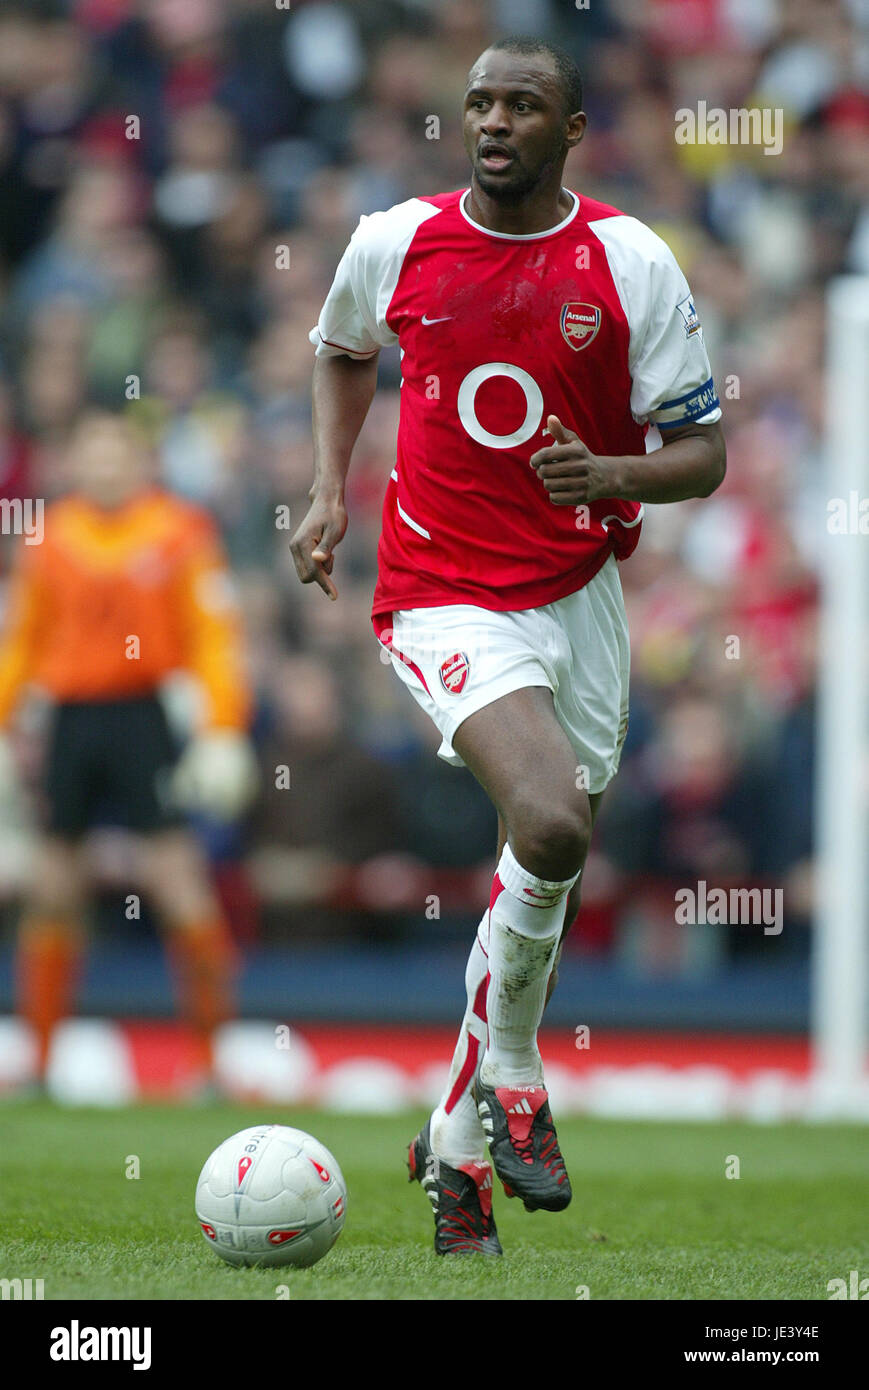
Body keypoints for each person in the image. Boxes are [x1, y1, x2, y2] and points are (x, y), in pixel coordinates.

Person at [291, 36, 725, 1255]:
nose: (492, 121)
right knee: (545, 823)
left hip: (579, 596)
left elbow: (704, 455)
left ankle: (457, 1145)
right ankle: (520, 1072)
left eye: (521, 105)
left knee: (538, 872)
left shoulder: (629, 260)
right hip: (439, 590)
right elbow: (340, 348)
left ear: (570, 128)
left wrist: (616, 472)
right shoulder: (394, 238)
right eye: (478, 101)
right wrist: (327, 489)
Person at [0, 408, 258, 1088]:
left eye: (117, 453)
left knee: (178, 882)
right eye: (93, 453)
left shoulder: (180, 531)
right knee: (52, 889)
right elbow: (24, 639)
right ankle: (41, 1063)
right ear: (74, 463)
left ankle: (207, 1064)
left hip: (143, 718)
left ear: (139, 463)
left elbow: (212, 633)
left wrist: (223, 727)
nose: (105, 466)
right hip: (70, 720)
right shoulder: (49, 538)